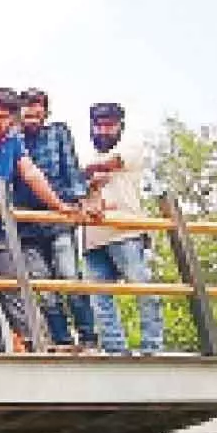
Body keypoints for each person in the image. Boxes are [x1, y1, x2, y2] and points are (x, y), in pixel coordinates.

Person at [0, 87, 76, 351]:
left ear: (13, 120)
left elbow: (31, 174)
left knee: (14, 287)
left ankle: (35, 343)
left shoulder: (14, 142)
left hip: (0, 230)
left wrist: (59, 205)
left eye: (1, 117)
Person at [17, 88, 97, 350]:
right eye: (27, 106)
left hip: (59, 216)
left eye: (37, 106)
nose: (32, 111)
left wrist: (82, 200)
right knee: (44, 286)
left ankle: (88, 337)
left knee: (69, 276)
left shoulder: (58, 133)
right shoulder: (12, 139)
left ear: (45, 111)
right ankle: (62, 340)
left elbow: (71, 169)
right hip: (25, 223)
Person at [82, 102, 163, 355]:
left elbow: (112, 162)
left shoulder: (131, 148)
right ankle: (114, 347)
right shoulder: (87, 157)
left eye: (109, 125)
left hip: (126, 230)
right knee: (99, 296)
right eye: (99, 125)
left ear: (120, 127)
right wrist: (88, 181)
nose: (103, 131)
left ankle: (152, 346)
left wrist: (83, 173)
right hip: (93, 236)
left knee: (142, 288)